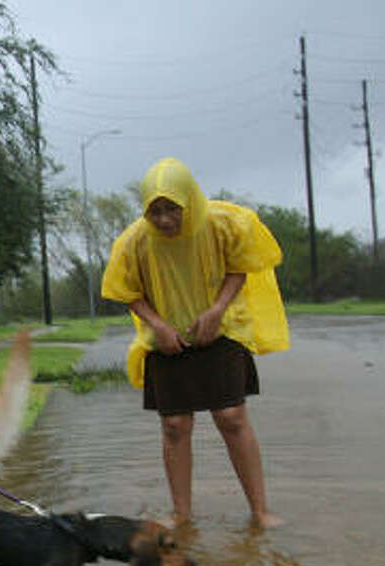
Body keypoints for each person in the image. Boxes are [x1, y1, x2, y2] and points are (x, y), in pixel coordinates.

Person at [101, 157, 290, 529]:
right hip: (166, 338)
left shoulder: (224, 223)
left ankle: (260, 511)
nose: (165, 220)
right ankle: (181, 515)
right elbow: (127, 290)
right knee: (174, 424)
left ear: (190, 200)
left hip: (221, 329)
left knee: (231, 416)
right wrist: (157, 325)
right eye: (155, 212)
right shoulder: (134, 241)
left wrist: (218, 309)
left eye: (173, 209)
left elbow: (242, 264)